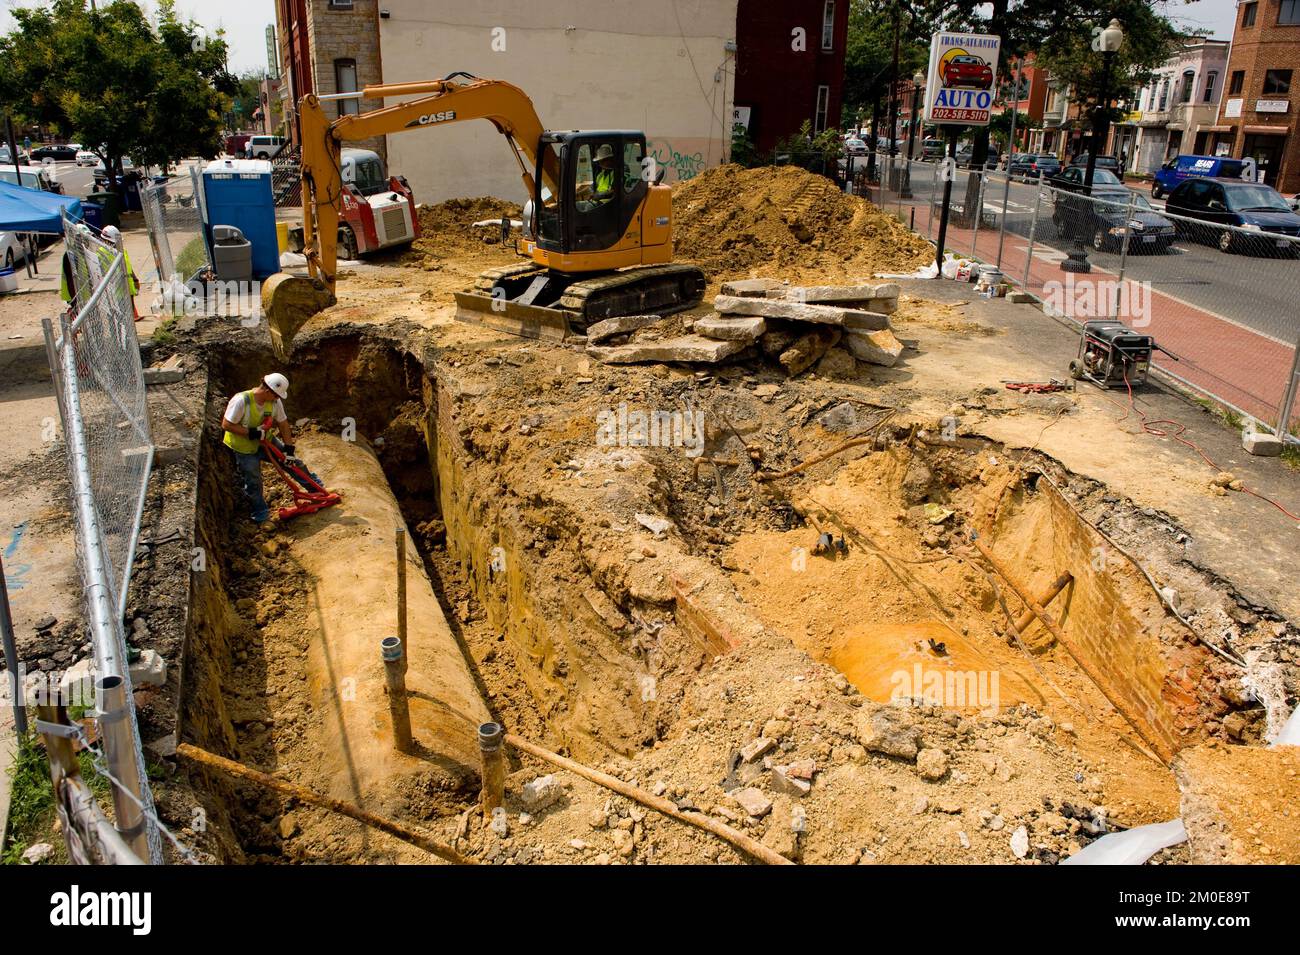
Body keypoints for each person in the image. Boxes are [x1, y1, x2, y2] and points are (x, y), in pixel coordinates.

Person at [222, 373, 296, 524]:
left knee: (293, 463)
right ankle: (260, 512)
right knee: (253, 480)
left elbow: (283, 423)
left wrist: (289, 450)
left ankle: (315, 487)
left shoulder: (275, 402)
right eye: (276, 395)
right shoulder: (241, 401)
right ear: (268, 391)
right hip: (244, 449)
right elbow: (226, 425)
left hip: (266, 442)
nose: (278, 399)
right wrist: (252, 432)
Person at [101, 225, 141, 320]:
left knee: (129, 314)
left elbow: (128, 266)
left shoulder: (122, 250)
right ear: (106, 241)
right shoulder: (102, 253)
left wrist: (135, 279)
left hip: (127, 286)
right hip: (115, 290)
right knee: (122, 315)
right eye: (113, 242)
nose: (116, 245)